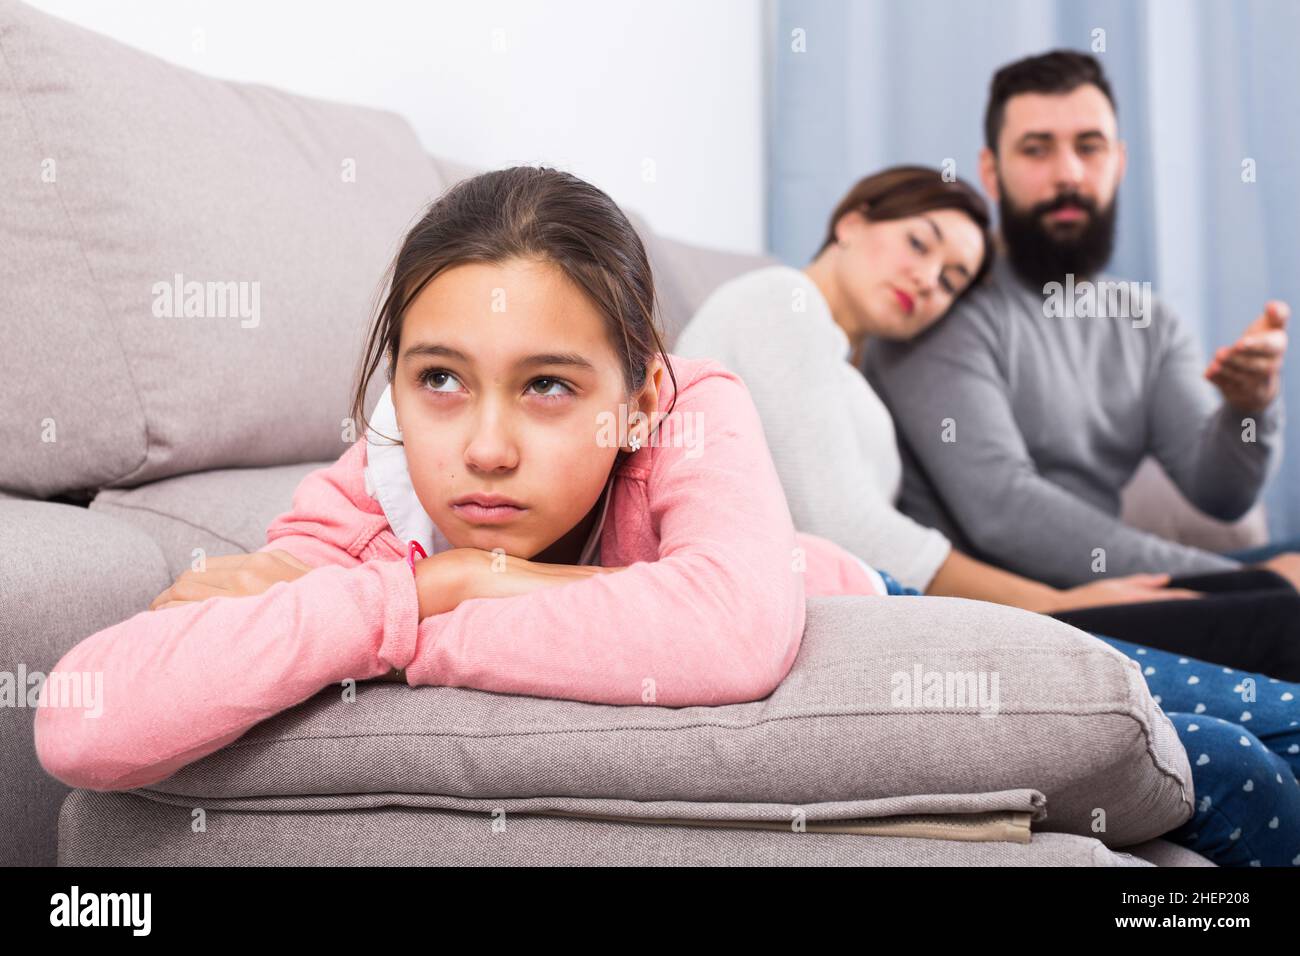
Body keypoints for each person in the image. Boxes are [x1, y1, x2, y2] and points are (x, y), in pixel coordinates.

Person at [33, 165, 896, 796]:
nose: (485, 449)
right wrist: (416, 592)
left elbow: (733, 629)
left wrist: (439, 601)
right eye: (440, 380)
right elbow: (82, 723)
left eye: (547, 386)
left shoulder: (690, 407)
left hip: (857, 584)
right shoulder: (373, 489)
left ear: (636, 402)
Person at [674, 163, 1300, 865]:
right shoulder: (778, 299)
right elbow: (854, 533)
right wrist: (1057, 602)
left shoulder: (847, 368)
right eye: (921, 243)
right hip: (870, 626)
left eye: (950, 279)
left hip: (894, 616)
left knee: (1264, 611)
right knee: (1276, 623)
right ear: (852, 220)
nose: (928, 281)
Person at [862, 51, 1300, 676]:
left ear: (1118, 161)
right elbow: (1004, 512)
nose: (1067, 173)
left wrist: (1250, 410)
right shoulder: (943, 306)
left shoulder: (1149, 322)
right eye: (1036, 149)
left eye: (1088, 147)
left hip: (1121, 592)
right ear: (992, 170)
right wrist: (1251, 581)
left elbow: (1220, 495)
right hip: (1019, 617)